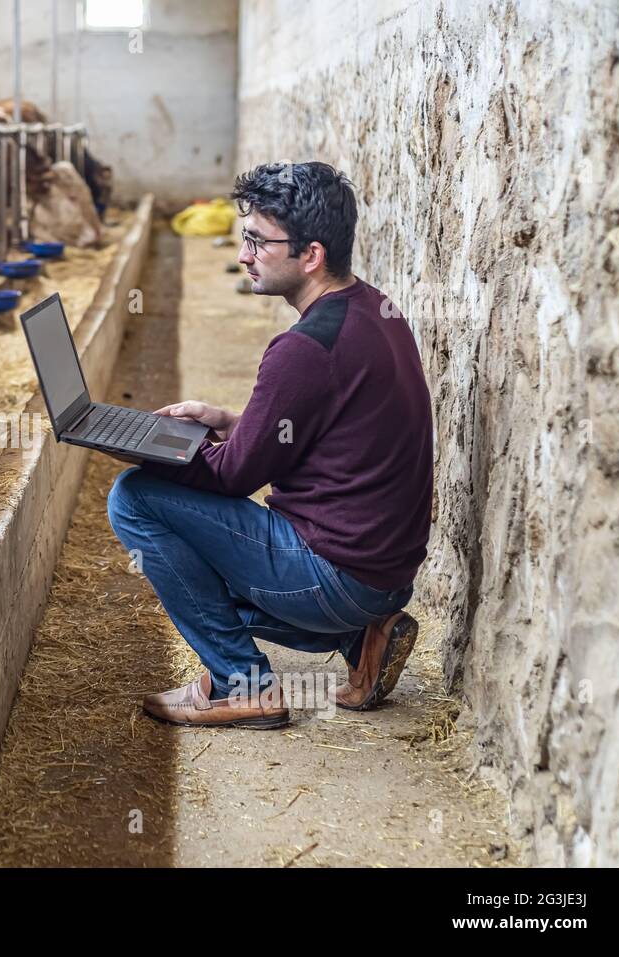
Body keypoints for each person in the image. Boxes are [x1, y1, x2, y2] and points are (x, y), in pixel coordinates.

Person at [106, 162, 434, 730]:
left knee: (136, 498)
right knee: (196, 581)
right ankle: (363, 638)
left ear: (310, 255)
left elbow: (233, 477)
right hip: (382, 577)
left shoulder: (302, 349)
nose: (244, 255)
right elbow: (328, 430)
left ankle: (242, 683)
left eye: (258, 241)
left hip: (333, 575)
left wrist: (147, 449)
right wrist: (235, 421)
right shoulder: (374, 310)